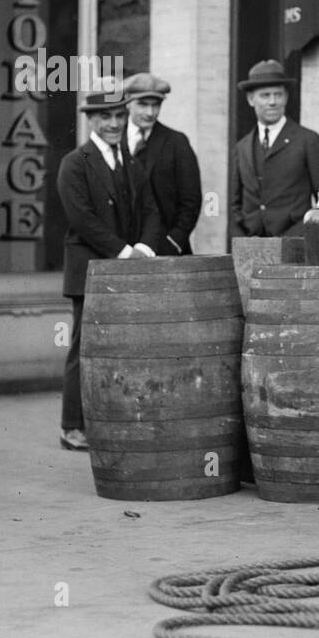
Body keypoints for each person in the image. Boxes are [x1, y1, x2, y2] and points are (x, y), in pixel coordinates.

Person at [57, 88, 163, 451]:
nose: (115, 123)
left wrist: (145, 248)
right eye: (106, 117)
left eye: (119, 116)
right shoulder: (75, 162)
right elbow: (82, 219)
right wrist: (124, 252)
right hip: (90, 271)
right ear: (91, 120)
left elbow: (151, 210)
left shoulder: (131, 163)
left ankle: (110, 421)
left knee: (121, 348)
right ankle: (73, 426)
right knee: (83, 348)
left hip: (126, 269)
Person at [230, 59, 319, 238]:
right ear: (250, 99)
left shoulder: (308, 140)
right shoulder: (242, 147)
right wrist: (243, 238)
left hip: (295, 244)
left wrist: (302, 235)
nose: (273, 102)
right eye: (265, 95)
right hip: (252, 246)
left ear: (286, 97)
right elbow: (235, 204)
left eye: (278, 95)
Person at [121, 72, 202, 255]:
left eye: (155, 105)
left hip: (166, 248)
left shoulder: (176, 142)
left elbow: (191, 200)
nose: (150, 113)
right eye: (142, 104)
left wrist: (174, 240)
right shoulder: (115, 140)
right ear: (127, 102)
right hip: (123, 251)